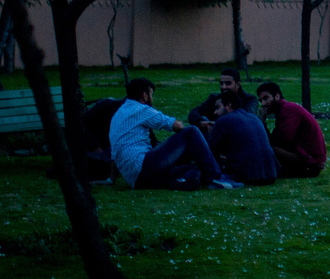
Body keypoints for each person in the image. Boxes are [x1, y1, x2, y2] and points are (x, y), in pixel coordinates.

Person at [110, 78, 242, 190]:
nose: (152, 99)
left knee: (193, 170)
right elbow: (175, 125)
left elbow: (114, 152)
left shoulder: (118, 114)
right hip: (144, 166)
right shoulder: (140, 109)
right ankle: (216, 177)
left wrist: (111, 178)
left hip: (137, 180)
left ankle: (183, 181)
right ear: (145, 96)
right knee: (191, 132)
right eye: (151, 94)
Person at [207, 91, 278, 186]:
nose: (215, 112)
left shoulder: (224, 121)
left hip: (248, 176)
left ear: (228, 106)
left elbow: (210, 151)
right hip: (270, 174)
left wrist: (210, 133)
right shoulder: (254, 118)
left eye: (218, 107)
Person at [257, 82, 326, 178]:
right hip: (308, 159)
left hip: (310, 163)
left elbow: (280, 142)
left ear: (277, 96)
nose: (263, 104)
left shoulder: (288, 110)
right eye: (261, 101)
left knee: (267, 150)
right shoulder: (283, 110)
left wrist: (262, 123)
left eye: (266, 98)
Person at [189, 68, 260, 135]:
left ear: (238, 84)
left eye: (228, 83)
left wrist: (218, 125)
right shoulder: (215, 98)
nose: (223, 87)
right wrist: (201, 123)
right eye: (221, 83)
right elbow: (194, 112)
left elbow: (247, 119)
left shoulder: (249, 100)